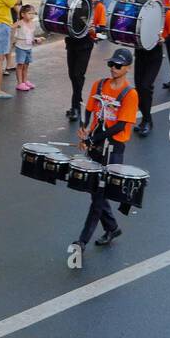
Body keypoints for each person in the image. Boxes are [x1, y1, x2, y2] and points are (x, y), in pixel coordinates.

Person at [69, 47, 138, 262]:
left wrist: (92, 139)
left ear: (127, 68)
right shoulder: (99, 85)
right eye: (111, 64)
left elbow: (119, 126)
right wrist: (84, 129)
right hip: (96, 143)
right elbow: (89, 109)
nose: (113, 69)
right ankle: (112, 227)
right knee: (95, 190)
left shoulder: (130, 94)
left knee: (99, 195)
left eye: (118, 66)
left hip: (113, 147)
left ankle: (82, 241)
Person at [134, 0, 170, 137]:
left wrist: (164, 39)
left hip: (155, 54)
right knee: (139, 88)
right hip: (140, 52)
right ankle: (146, 118)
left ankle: (147, 120)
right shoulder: (139, 9)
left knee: (146, 86)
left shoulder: (166, 13)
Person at [64, 0, 108, 123]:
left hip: (85, 44)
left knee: (78, 74)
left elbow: (102, 30)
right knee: (72, 74)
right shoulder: (74, 2)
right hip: (71, 42)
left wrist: (94, 29)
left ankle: (75, 106)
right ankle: (77, 97)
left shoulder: (98, 6)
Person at [13, 5, 44, 92]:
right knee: (20, 65)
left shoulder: (32, 23)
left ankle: (25, 81)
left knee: (26, 65)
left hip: (28, 47)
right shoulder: (20, 23)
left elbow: (31, 36)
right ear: (23, 14)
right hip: (20, 47)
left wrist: (36, 40)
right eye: (29, 13)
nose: (31, 15)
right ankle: (19, 83)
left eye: (33, 13)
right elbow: (10, 28)